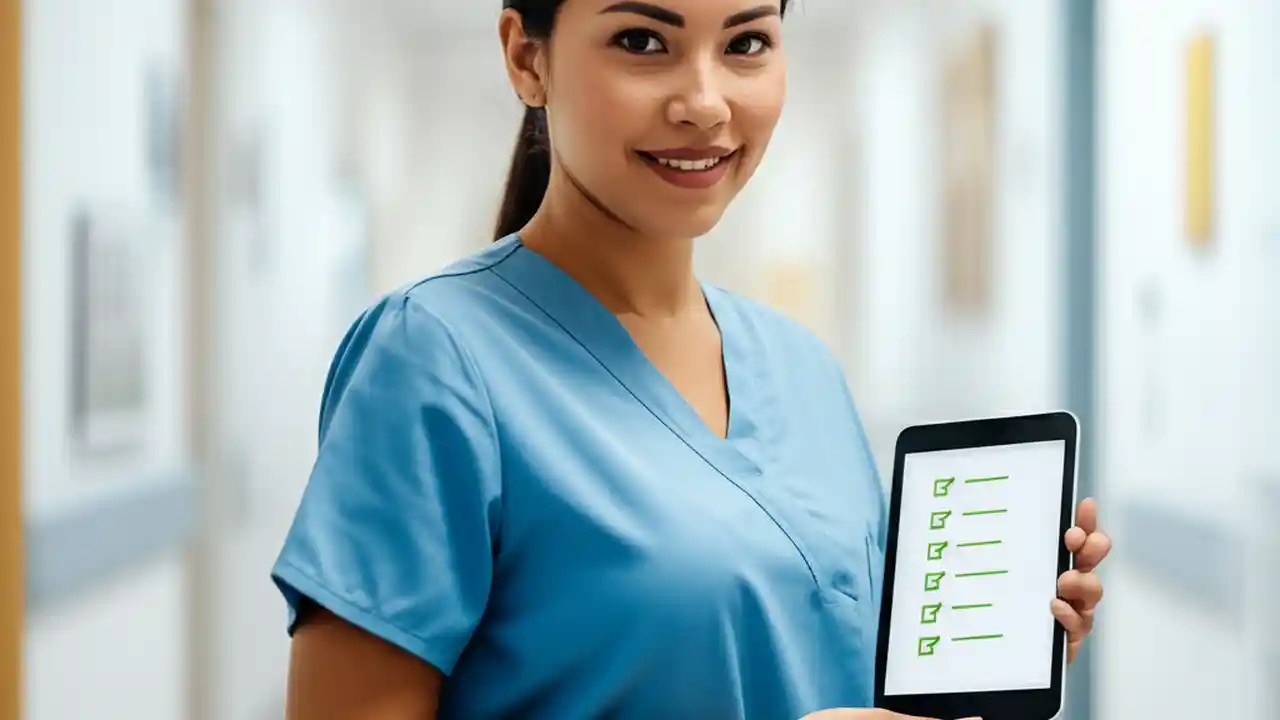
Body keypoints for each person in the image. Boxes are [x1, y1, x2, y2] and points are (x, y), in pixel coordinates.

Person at [271, 1, 1111, 718]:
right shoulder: (434, 356)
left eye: (747, 42)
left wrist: (980, 659)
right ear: (527, 58)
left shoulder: (801, 366)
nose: (706, 105)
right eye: (643, 41)